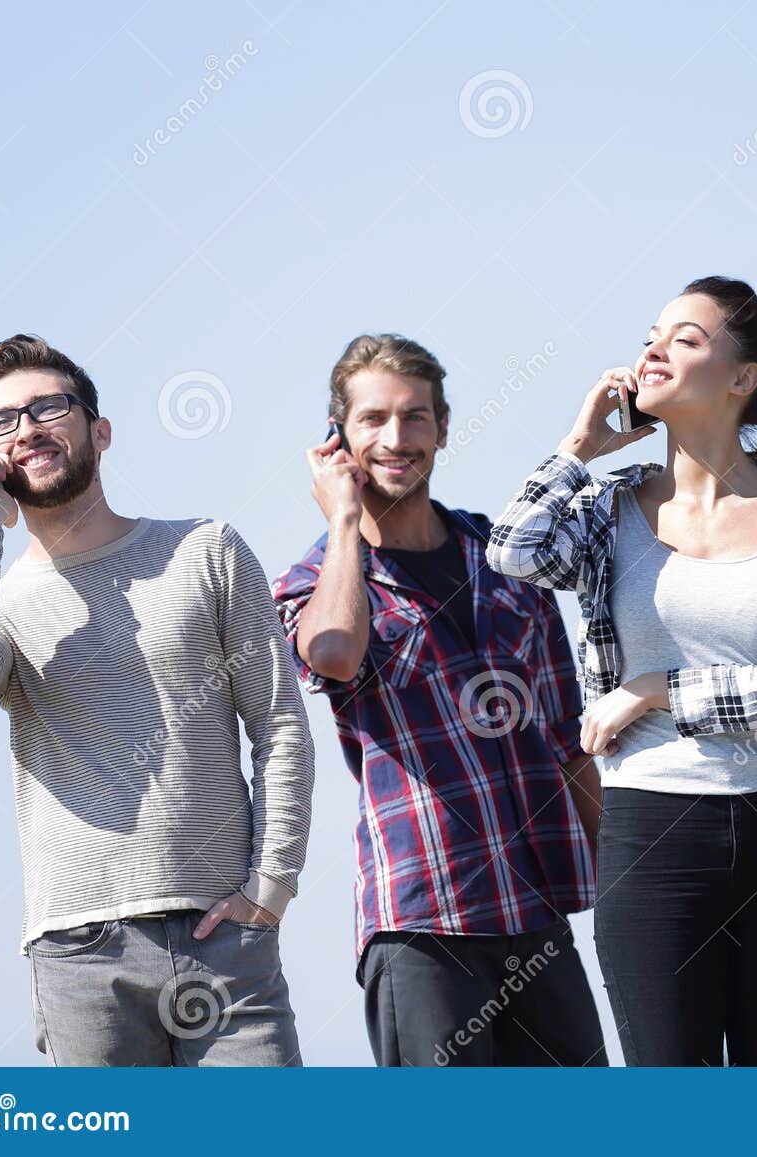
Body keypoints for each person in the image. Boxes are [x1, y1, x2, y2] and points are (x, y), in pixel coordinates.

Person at [487, 276, 757, 1066]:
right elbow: (512, 550)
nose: (654, 351)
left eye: (685, 338)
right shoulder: (603, 511)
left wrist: (656, 690)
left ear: (743, 377)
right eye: (650, 338)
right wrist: (579, 448)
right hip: (650, 835)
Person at [0, 335, 313, 1066]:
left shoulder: (207, 549)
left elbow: (280, 723)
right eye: (2, 421)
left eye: (48, 407)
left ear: (99, 431)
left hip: (225, 938)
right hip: (78, 952)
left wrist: (272, 885)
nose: (27, 428)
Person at [272, 333, 607, 1067]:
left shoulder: (507, 559)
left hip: (536, 910)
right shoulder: (315, 582)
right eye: (373, 419)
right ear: (337, 438)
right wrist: (343, 520)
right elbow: (335, 654)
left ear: (444, 428)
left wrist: (623, 878)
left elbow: (569, 737)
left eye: (415, 417)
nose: (396, 439)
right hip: (423, 920)